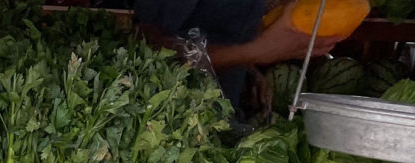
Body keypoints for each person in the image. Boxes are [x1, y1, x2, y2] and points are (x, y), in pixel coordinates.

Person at [136, 1, 343, 108]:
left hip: (217, 121)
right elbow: (148, 46)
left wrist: (248, 68)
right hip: (170, 130)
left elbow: (223, 30)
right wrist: (255, 52)